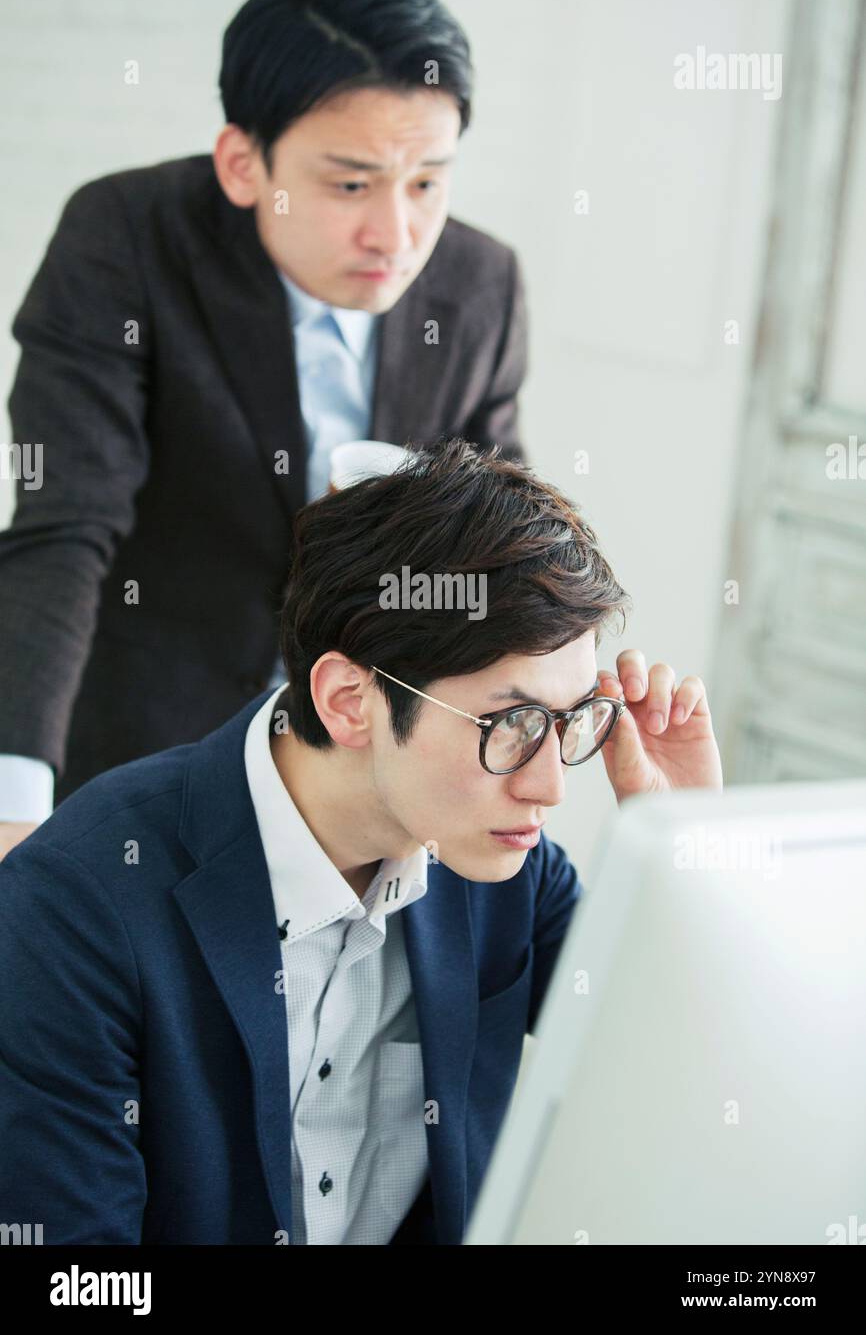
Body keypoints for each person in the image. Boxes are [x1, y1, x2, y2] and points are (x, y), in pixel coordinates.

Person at [0, 441, 723, 1245]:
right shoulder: (74, 906)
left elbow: (691, 1075)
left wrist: (688, 846)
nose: (551, 785)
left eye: (570, 720)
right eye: (512, 724)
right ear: (349, 701)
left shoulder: (510, 865)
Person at [0, 0, 528, 854]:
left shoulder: (481, 283)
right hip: (137, 741)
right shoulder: (124, 237)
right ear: (244, 165)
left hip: (366, 777)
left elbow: (498, 550)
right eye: (351, 183)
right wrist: (14, 796)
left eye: (429, 182)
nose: (397, 233)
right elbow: (65, 528)